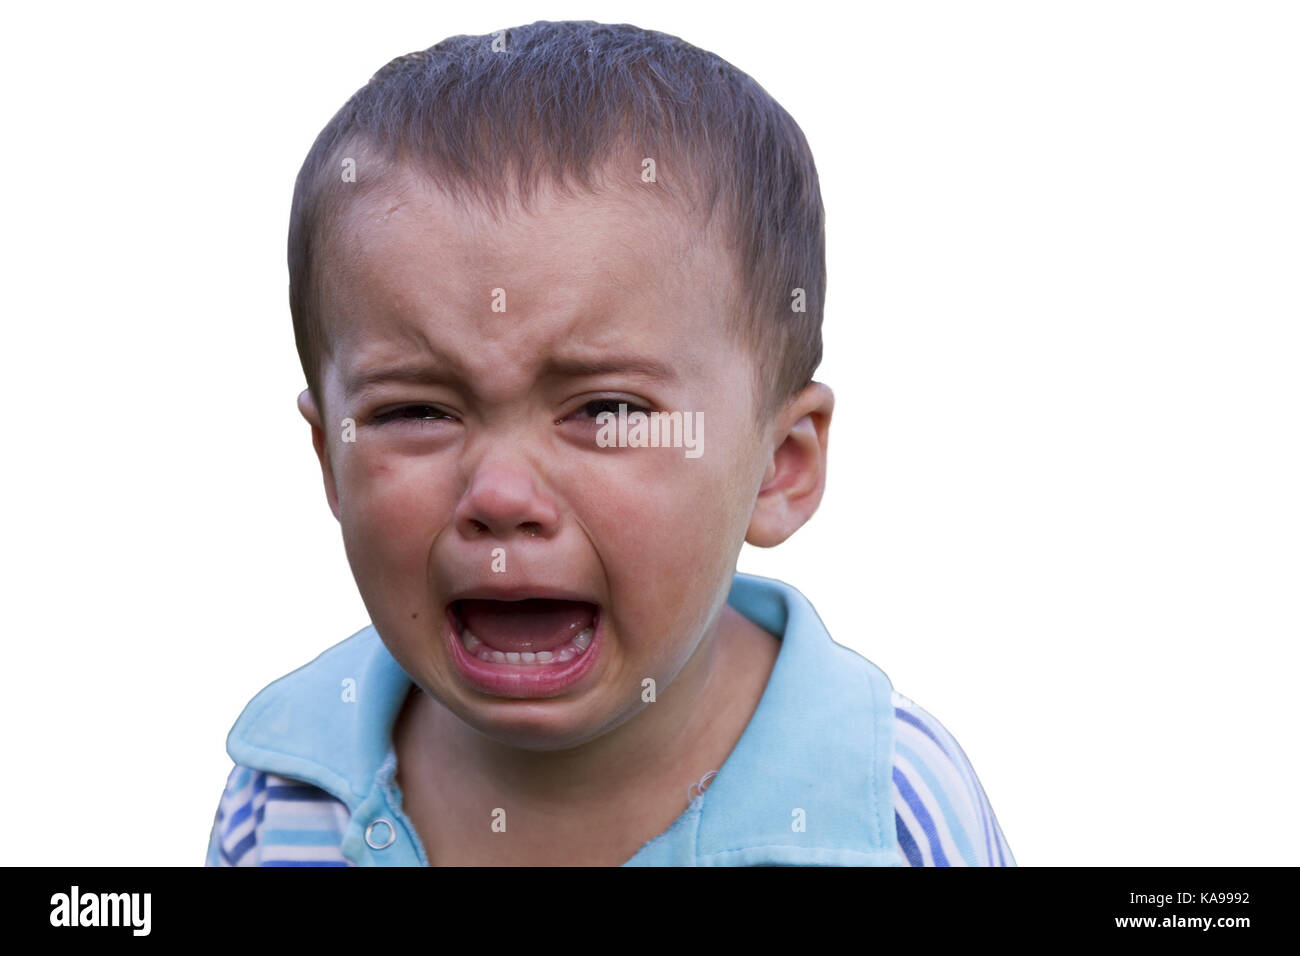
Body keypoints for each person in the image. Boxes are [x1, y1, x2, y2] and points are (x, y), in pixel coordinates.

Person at [206, 19, 1015, 867]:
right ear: (329, 458)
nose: (501, 495)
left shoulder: (884, 814)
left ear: (781, 466)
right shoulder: (288, 788)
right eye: (418, 413)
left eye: (609, 411)